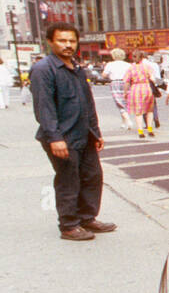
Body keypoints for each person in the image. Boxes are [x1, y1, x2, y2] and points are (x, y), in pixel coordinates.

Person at [30, 24, 117, 241]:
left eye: (71, 41)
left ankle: (87, 217)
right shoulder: (44, 69)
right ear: (50, 42)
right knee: (69, 179)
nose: (68, 45)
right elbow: (44, 107)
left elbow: (87, 103)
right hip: (62, 136)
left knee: (92, 176)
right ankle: (69, 225)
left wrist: (96, 133)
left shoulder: (77, 68)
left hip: (84, 134)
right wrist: (55, 138)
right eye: (62, 40)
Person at [124, 50, 156, 137]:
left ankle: (140, 131)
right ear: (142, 58)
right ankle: (150, 129)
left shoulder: (130, 68)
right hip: (146, 88)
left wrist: (125, 92)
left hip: (135, 88)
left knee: (138, 112)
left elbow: (126, 82)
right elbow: (153, 79)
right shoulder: (147, 67)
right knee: (149, 110)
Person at [103, 47, 132, 131]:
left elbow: (104, 75)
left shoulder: (110, 64)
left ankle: (128, 120)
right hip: (126, 83)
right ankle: (123, 122)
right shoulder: (128, 64)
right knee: (124, 101)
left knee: (119, 102)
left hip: (115, 83)